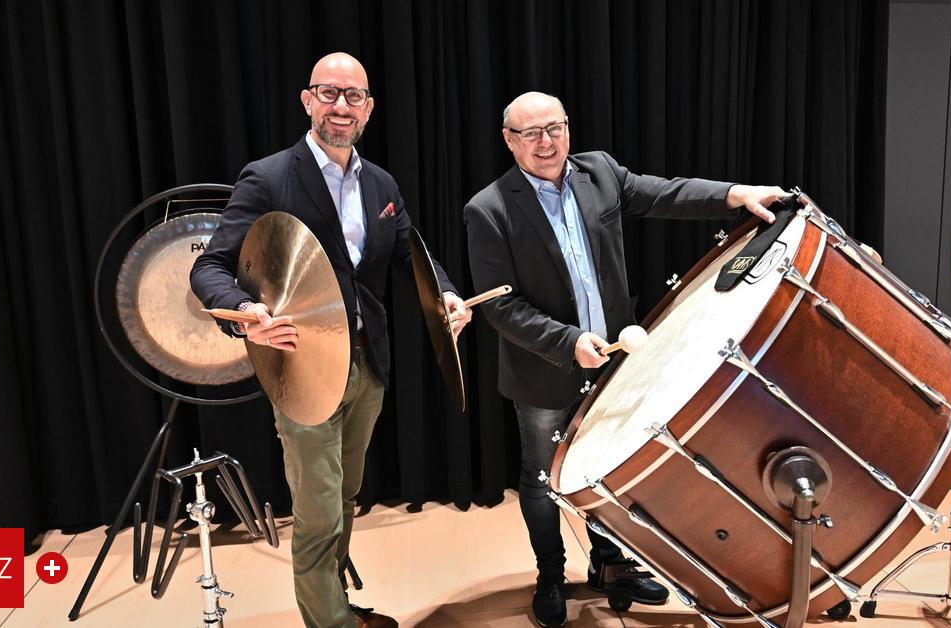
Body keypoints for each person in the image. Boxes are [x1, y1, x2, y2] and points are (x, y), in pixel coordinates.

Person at [463, 91, 786, 626]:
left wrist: (735, 193)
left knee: (609, 469)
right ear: (509, 141)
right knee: (543, 480)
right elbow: (501, 306)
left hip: (617, 361)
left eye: (555, 128)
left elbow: (667, 193)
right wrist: (567, 341)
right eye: (532, 133)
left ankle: (610, 563)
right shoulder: (489, 208)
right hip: (545, 371)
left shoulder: (599, 173)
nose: (547, 142)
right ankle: (550, 574)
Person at [191, 52, 470, 628]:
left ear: (369, 108)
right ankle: (332, 623)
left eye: (354, 97)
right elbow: (210, 268)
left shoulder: (381, 183)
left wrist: (442, 294)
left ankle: (336, 604)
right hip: (302, 369)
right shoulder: (267, 177)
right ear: (307, 99)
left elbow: (409, 255)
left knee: (343, 499)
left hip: (367, 365)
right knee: (318, 510)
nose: (341, 106)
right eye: (330, 93)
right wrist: (247, 309)